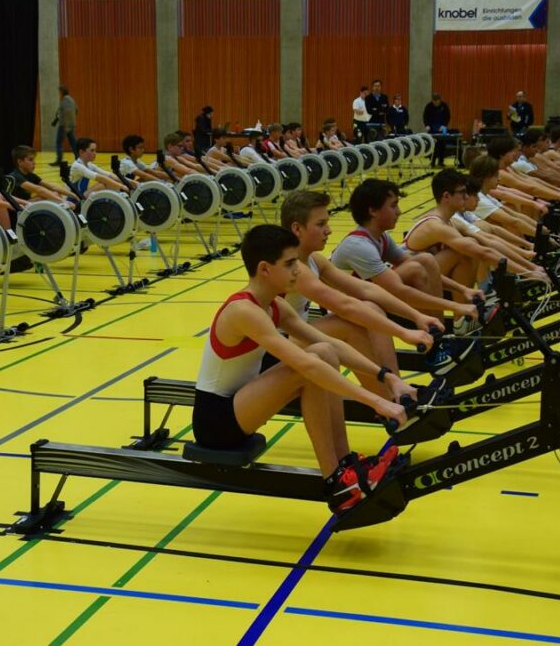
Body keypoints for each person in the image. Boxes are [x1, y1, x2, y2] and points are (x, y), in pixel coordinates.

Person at [194, 224, 408, 513]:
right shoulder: (244, 311)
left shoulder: (274, 306)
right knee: (310, 366)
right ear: (264, 269)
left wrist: (387, 377)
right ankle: (336, 481)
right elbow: (305, 364)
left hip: (240, 404)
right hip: (215, 421)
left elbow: (330, 345)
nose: (298, 270)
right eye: (290, 263)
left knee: (323, 351)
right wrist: (375, 401)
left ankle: (344, 464)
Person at [279, 190, 460, 379]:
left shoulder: (315, 259)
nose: (329, 230)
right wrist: (404, 332)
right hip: (279, 344)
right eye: (321, 224)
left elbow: (366, 289)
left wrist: (418, 316)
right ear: (297, 229)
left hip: (296, 333)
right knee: (358, 318)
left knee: (371, 306)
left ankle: (394, 385)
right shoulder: (294, 268)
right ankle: (393, 388)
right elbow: (345, 305)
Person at [330, 179, 481, 313]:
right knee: (415, 269)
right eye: (393, 206)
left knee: (425, 260)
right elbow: (399, 290)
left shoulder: (381, 236)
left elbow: (419, 267)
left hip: (366, 298)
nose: (399, 212)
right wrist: (454, 306)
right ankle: (438, 329)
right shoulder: (359, 245)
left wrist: (464, 290)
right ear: (373, 211)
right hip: (347, 307)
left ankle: (441, 329)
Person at [404, 169, 545, 289]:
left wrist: (530, 266)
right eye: (462, 192)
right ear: (446, 196)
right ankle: (476, 299)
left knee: (473, 242)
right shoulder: (436, 225)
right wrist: (528, 273)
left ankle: (472, 302)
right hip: (407, 281)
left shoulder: (452, 221)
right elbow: (483, 253)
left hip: (426, 275)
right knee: (463, 252)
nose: (466, 197)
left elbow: (487, 241)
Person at [8, 146, 81, 204]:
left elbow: (53, 187)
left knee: (55, 193)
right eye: (30, 160)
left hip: (26, 203)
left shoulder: (30, 175)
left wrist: (74, 195)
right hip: (17, 207)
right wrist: (63, 202)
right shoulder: (16, 176)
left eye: (34, 159)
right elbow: (39, 190)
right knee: (49, 196)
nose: (34, 162)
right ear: (20, 162)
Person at [69, 137, 136, 194]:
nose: (95, 153)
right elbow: (101, 178)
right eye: (92, 150)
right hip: (74, 199)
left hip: (82, 195)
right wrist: (122, 187)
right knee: (104, 183)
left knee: (109, 181)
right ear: (81, 152)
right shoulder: (77, 166)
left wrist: (132, 182)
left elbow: (109, 175)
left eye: (95, 150)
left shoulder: (89, 165)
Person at [50, 85, 78, 166]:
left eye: (59, 92)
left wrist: (67, 125)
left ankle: (59, 160)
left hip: (64, 125)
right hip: (69, 124)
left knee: (59, 142)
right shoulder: (71, 100)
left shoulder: (66, 100)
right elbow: (76, 110)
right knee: (73, 143)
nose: (58, 94)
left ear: (61, 92)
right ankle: (78, 159)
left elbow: (67, 112)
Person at [423, 93, 452, 166]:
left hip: (441, 128)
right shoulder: (429, 106)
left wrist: (444, 125)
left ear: (440, 100)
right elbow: (425, 117)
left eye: (437, 101)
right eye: (434, 101)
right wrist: (427, 125)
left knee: (442, 145)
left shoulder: (444, 106)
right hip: (432, 128)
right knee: (433, 146)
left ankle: (441, 161)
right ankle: (432, 161)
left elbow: (448, 116)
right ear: (432, 100)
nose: (436, 103)